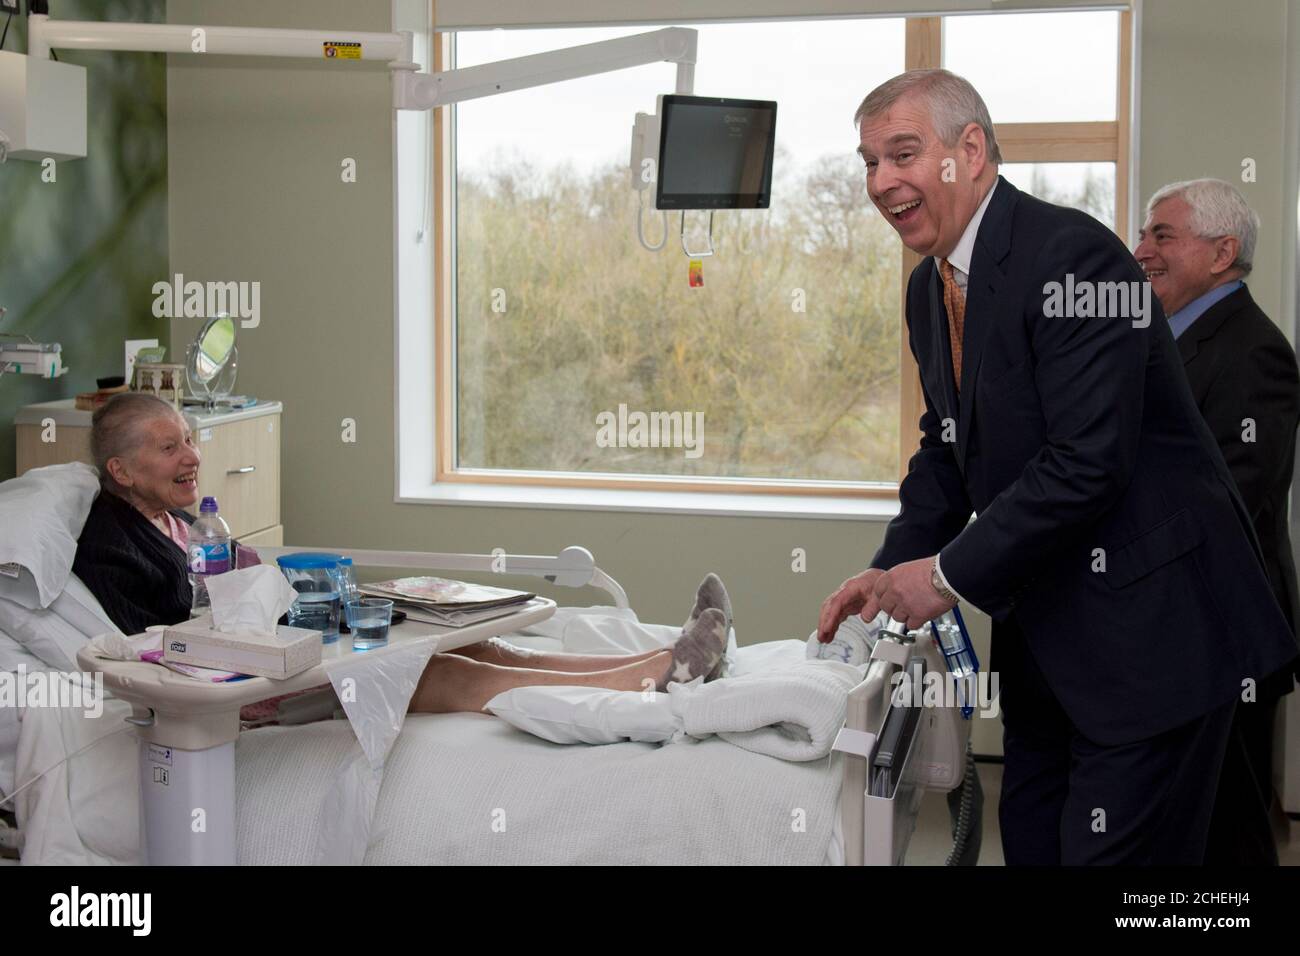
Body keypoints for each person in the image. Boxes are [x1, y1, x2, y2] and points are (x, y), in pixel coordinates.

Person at [816, 69, 1299, 865]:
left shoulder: (1073, 258)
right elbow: (946, 449)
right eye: (867, 162)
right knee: (1035, 843)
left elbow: (1087, 462)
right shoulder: (927, 293)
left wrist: (939, 578)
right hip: (1049, 649)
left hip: (1153, 642)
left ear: (969, 150)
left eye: (902, 154)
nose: (881, 181)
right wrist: (887, 576)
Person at [73, 393, 730, 718]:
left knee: (476, 648)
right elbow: (155, 652)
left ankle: (656, 660)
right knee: (431, 676)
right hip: (250, 695)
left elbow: (248, 587)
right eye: (168, 448)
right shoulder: (109, 549)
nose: (190, 455)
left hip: (289, 650)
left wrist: (320, 603)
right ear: (121, 470)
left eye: (189, 439)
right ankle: (655, 680)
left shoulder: (182, 522)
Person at [1135, 179, 1300, 864]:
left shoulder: (1252, 351)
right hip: (1174, 636)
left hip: (1220, 636)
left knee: (1228, 830)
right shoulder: (1165, 340)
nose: (1140, 251)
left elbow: (1233, 496)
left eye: (1161, 236)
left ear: (1221, 251)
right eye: (1145, 234)